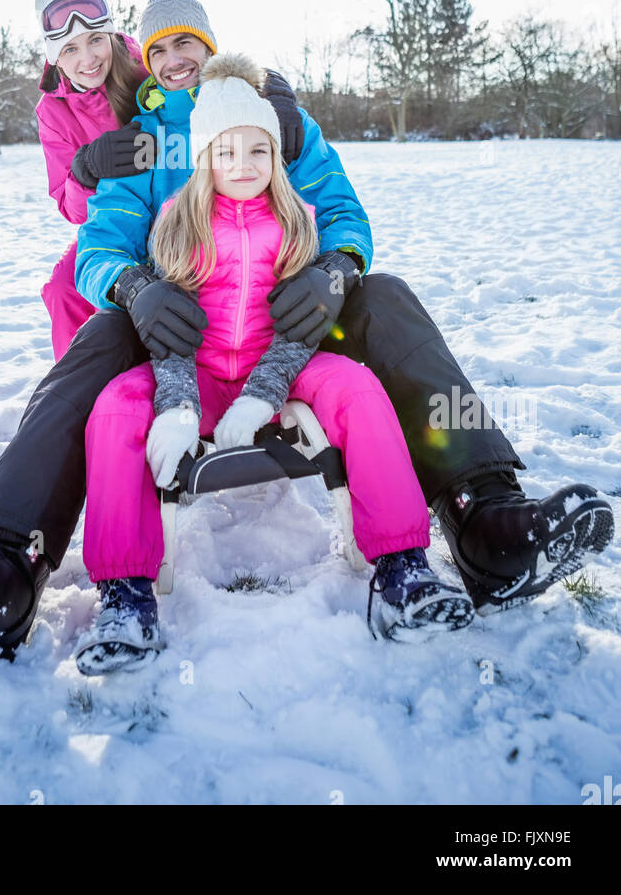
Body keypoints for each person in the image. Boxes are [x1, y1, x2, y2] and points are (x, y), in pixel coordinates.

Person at [0, 0, 613, 660]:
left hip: (293, 317)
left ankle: (485, 516)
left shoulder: (278, 124)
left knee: (386, 296)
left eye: (188, 45)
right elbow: (99, 244)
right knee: (97, 344)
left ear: (212, 49)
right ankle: (4, 564)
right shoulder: (144, 140)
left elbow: (340, 208)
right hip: (176, 328)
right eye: (160, 49)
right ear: (148, 62)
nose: (176, 60)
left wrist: (338, 269)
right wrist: (132, 286)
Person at [75, 55, 475, 674]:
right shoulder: (175, 229)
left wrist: (264, 395)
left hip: (280, 370)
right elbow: (169, 334)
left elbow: (298, 333)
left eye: (258, 151)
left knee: (359, 389)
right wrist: (178, 405)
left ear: (276, 155)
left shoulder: (296, 226)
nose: (242, 165)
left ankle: (403, 570)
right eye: (226, 151)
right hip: (200, 373)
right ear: (205, 156)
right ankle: (126, 596)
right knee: (116, 407)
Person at [33, 0, 147, 360]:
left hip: (173, 210)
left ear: (111, 36)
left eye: (95, 40)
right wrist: (85, 172)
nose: (88, 59)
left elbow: (198, 71)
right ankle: (76, 386)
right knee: (64, 288)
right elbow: (72, 209)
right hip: (111, 224)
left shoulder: (146, 68)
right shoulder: (53, 112)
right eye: (70, 49)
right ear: (54, 57)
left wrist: (264, 89)